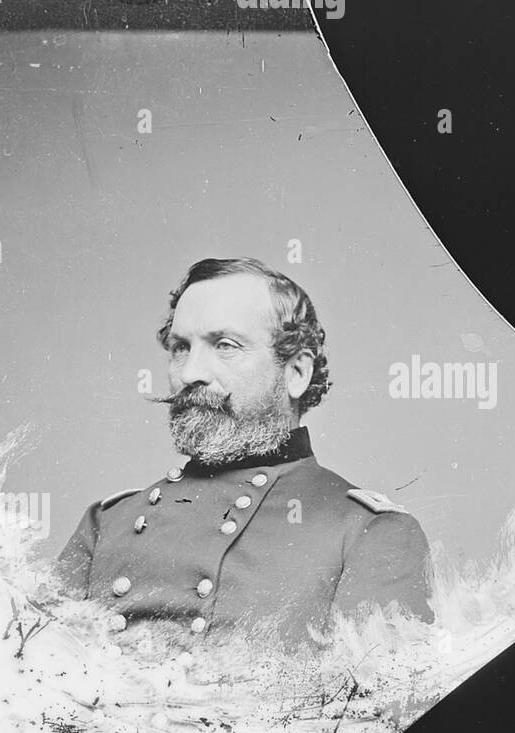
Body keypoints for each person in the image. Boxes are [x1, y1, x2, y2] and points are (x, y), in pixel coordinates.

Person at [58, 257, 433, 647]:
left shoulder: (368, 533)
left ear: (296, 373)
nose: (190, 374)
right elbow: (27, 688)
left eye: (225, 346)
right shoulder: (106, 524)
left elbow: (372, 703)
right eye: (180, 348)